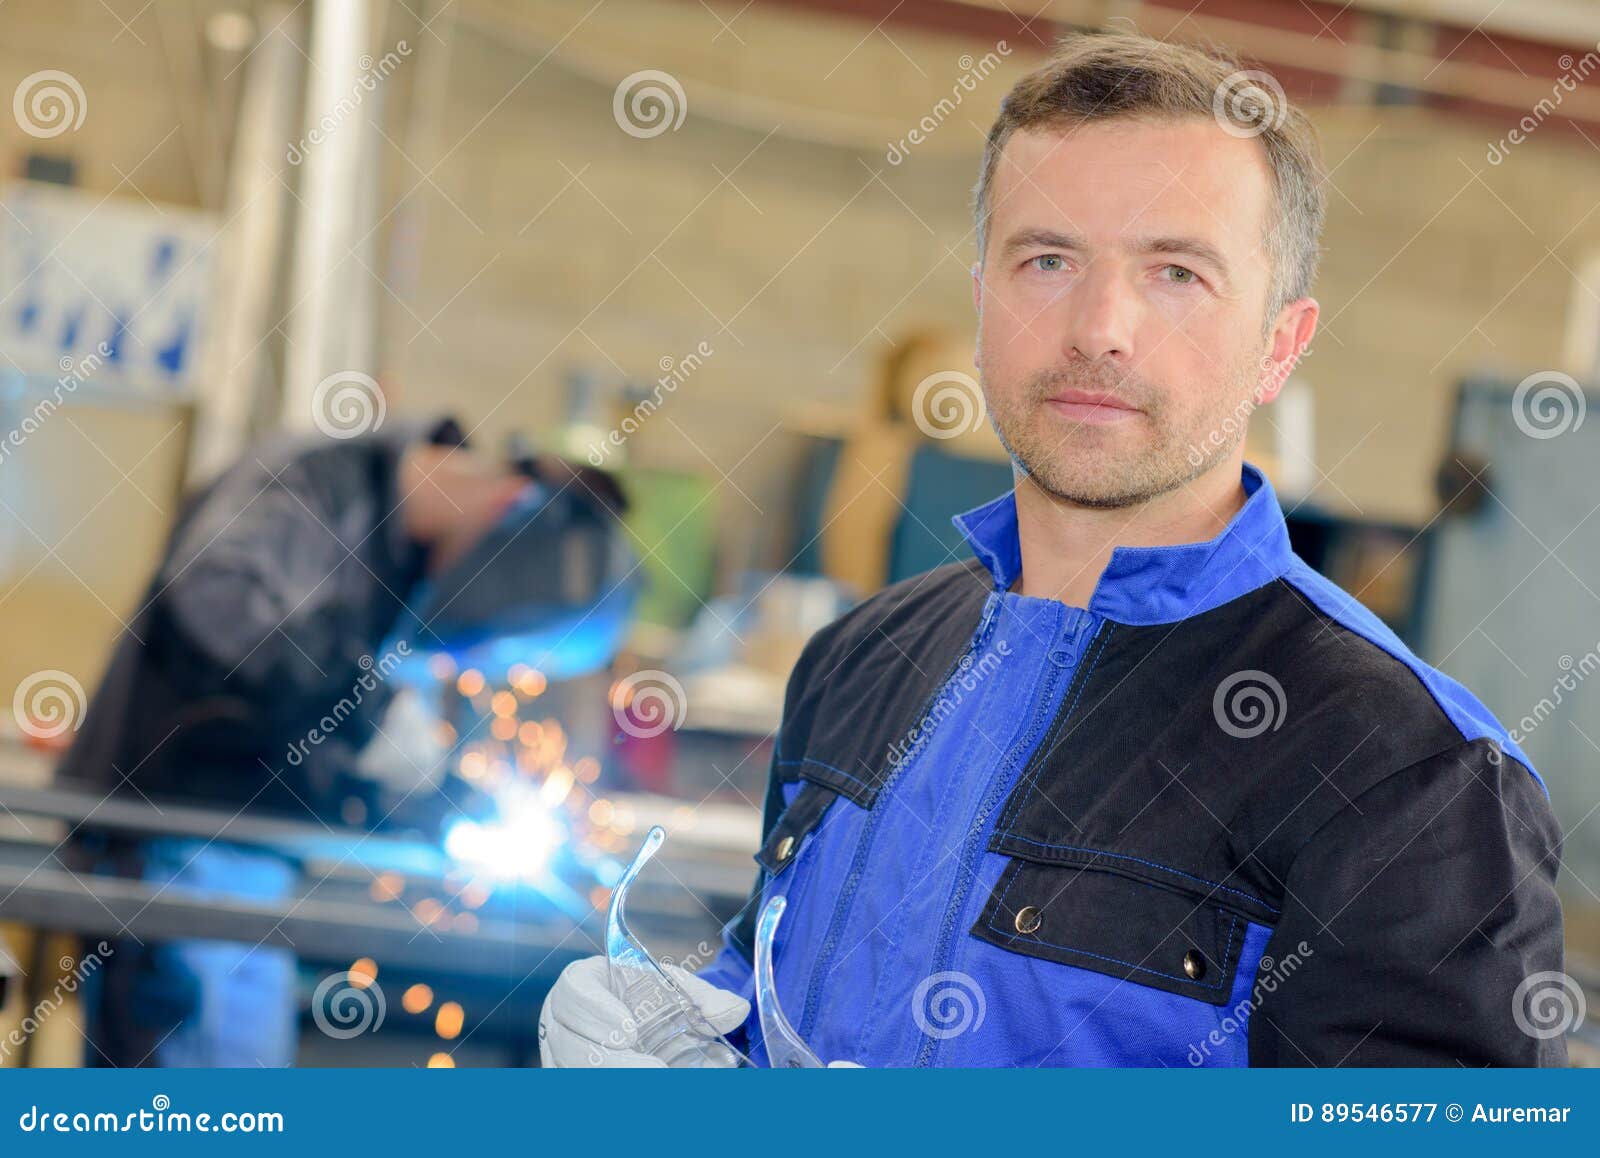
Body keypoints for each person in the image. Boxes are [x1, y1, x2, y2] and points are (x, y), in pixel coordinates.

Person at [539, 32, 1566, 1068]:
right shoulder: (861, 658)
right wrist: (692, 1034)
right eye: (1047, 260)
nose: (1098, 328)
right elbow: (786, 979)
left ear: (1281, 345)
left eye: (1175, 272)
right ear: (983, 300)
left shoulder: (1412, 776)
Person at [62, 415, 622, 1066]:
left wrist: (418, 798)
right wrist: (373, 718)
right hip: (170, 846)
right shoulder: (308, 486)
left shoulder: (395, 547)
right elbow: (220, 610)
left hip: (246, 860)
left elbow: (325, 740)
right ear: (503, 511)